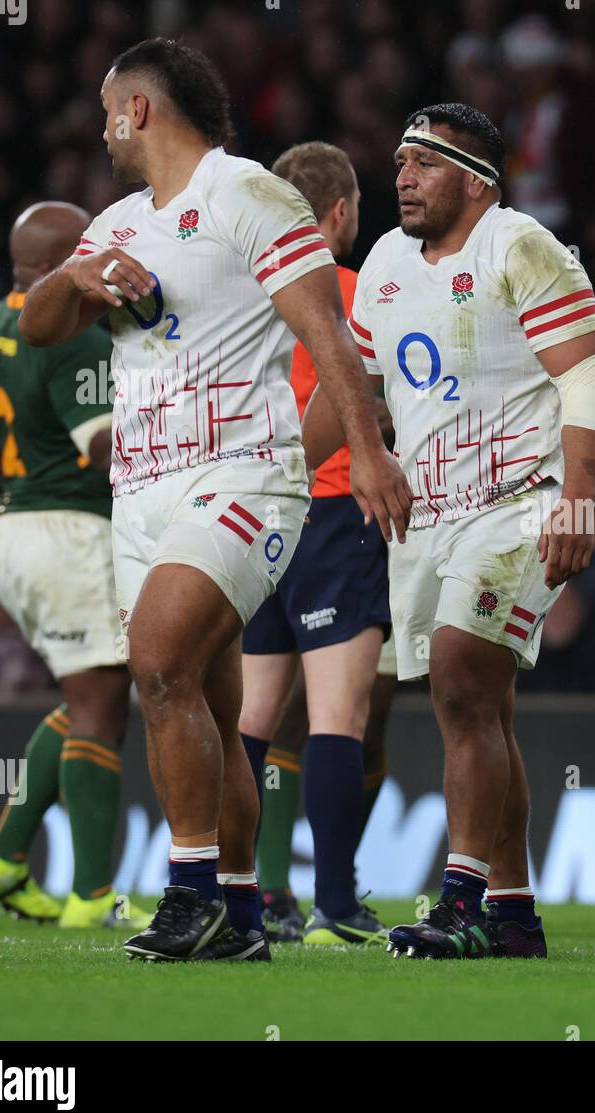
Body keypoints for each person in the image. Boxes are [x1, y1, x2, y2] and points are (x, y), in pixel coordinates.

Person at [19, 38, 409, 963]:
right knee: (205, 705)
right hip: (142, 496)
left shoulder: (250, 195)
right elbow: (37, 329)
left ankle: (188, 892)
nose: (102, 125)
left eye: (108, 106)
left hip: (242, 479)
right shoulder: (113, 224)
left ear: (140, 110)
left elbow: (329, 330)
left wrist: (365, 451)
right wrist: (72, 280)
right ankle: (238, 914)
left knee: (156, 661)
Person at [304, 103, 595, 959]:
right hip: (426, 516)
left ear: (476, 181)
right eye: (400, 161)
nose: (402, 176)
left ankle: (462, 901)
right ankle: (514, 914)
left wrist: (580, 496)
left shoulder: (521, 246)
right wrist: (288, 478)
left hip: (518, 501)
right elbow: (354, 389)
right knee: (483, 709)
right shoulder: (386, 263)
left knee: (460, 685)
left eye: (426, 163)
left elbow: (588, 377)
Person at [0, 201, 146, 930]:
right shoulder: (70, 335)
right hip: (68, 529)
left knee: (87, 695)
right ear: (67, 257)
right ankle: (94, 897)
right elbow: (103, 451)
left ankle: (5, 855)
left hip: (11, 530)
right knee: (102, 707)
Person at [237, 141, 392, 947]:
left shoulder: (245, 291)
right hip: (334, 511)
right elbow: (389, 400)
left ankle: (239, 894)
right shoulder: (357, 292)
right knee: (338, 717)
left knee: (252, 716)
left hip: (252, 517)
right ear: (339, 213)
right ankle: (336, 905)